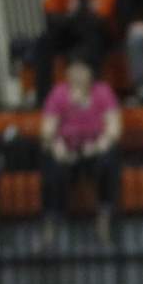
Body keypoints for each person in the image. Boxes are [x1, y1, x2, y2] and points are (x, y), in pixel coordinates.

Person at [40, 54, 122, 248]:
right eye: (73, 69)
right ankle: (51, 224)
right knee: (52, 167)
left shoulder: (102, 92)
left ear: (90, 73)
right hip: (68, 151)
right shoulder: (58, 93)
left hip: (94, 150)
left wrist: (100, 144)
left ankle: (104, 221)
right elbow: (47, 130)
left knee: (109, 161)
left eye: (81, 69)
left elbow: (115, 129)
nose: (77, 74)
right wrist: (55, 144)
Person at [34, 0, 118, 105]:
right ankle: (43, 99)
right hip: (67, 32)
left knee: (89, 43)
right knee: (43, 43)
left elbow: (100, 20)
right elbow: (50, 17)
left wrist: (80, 2)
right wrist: (76, 12)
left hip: (98, 34)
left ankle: (94, 99)